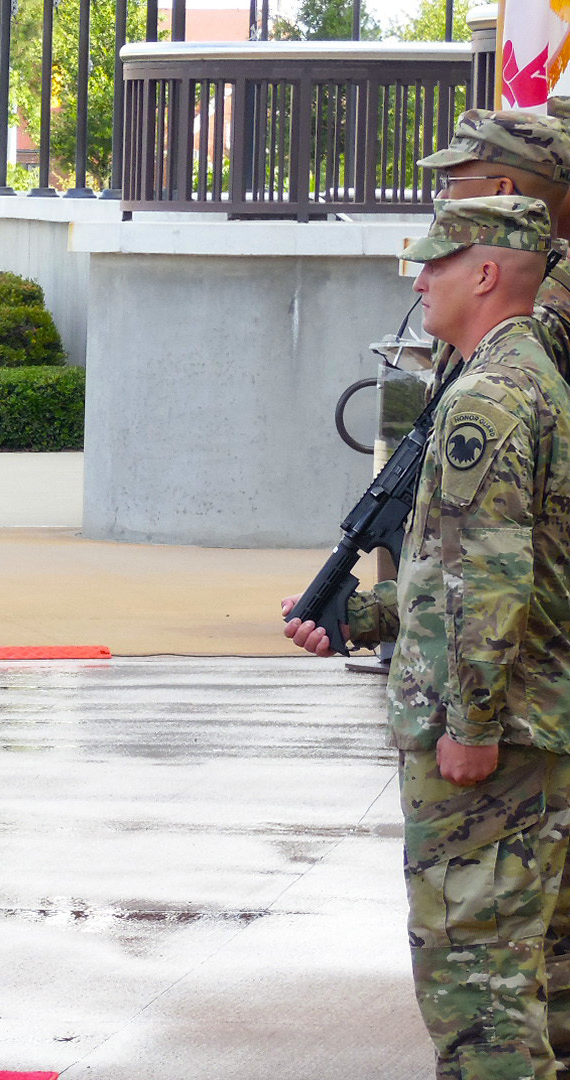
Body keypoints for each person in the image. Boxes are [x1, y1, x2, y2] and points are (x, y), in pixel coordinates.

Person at [283, 196, 570, 1080]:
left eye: (437, 264)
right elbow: (489, 567)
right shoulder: (535, 376)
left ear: (486, 275)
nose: (421, 280)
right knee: (522, 979)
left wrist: (470, 725)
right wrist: (363, 619)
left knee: (477, 990)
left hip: (498, 734)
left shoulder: (486, 398)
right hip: (533, 718)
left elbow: (489, 584)